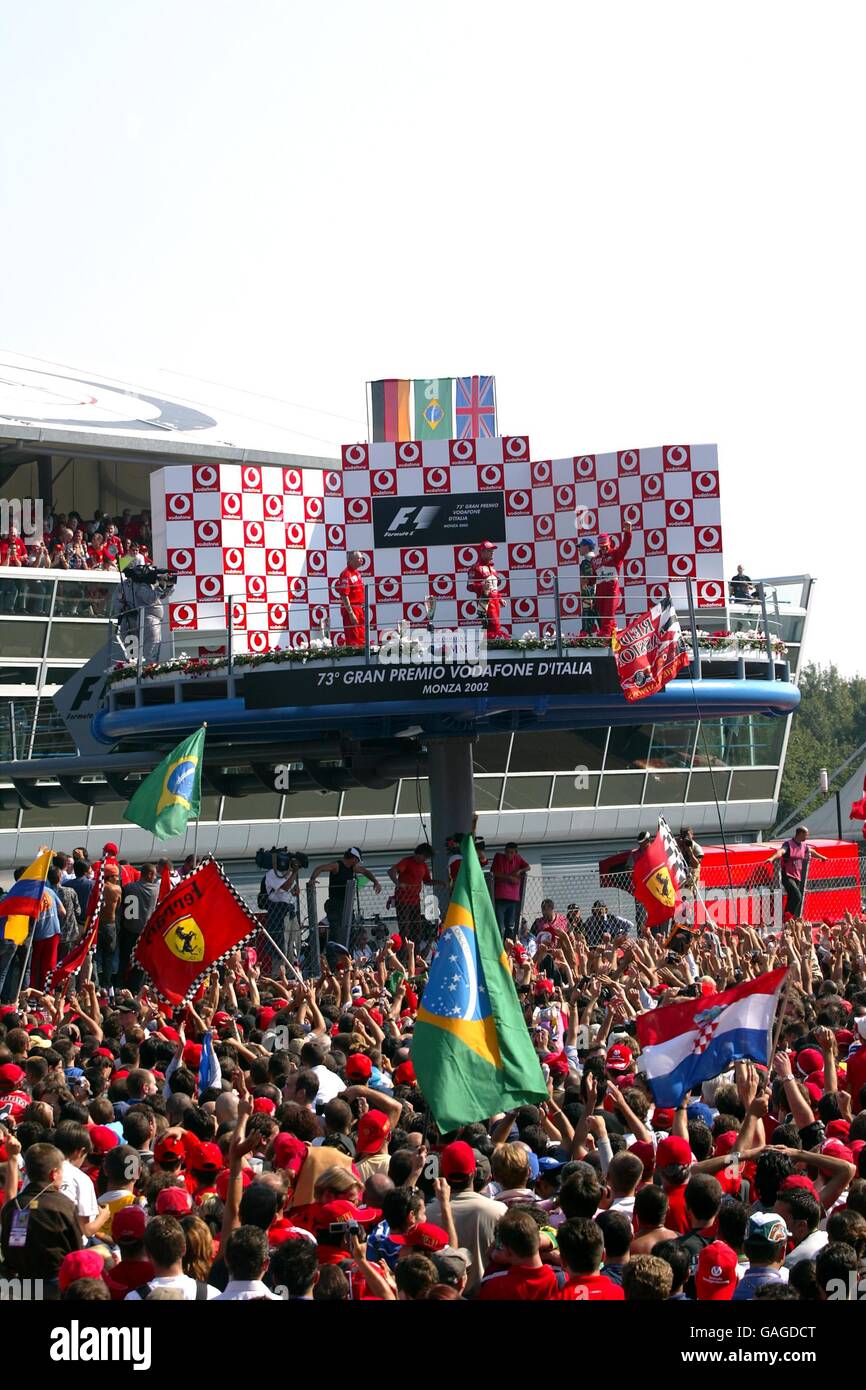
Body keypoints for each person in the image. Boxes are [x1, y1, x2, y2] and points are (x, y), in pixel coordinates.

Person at [308, 848, 381, 962]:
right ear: (353, 858)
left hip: (347, 904)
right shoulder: (337, 866)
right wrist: (312, 879)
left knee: (350, 932)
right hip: (335, 904)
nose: (357, 862)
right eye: (357, 860)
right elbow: (320, 868)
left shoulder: (353, 868)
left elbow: (365, 871)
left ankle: (348, 959)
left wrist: (375, 881)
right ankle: (333, 962)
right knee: (335, 934)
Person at [766, 826, 829, 918]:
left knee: (792, 897)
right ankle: (788, 917)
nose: (807, 837)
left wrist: (822, 857)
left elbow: (812, 851)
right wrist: (772, 858)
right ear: (800, 834)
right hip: (787, 875)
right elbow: (781, 851)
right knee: (797, 896)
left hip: (797, 876)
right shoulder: (788, 844)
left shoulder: (803, 846)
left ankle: (786, 918)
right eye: (806, 835)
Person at [387, 845, 441, 944]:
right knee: (405, 929)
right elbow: (391, 871)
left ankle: (415, 952)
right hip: (403, 901)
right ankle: (403, 953)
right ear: (419, 854)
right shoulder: (407, 862)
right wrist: (398, 883)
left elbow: (427, 881)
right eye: (425, 856)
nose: (425, 859)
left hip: (415, 901)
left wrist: (440, 882)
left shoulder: (423, 865)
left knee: (417, 929)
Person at [590, 522, 633, 638]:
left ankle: (605, 642)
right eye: (601, 546)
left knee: (607, 620)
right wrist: (589, 592)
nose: (604, 548)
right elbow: (592, 579)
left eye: (606, 545)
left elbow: (625, 546)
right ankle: (614, 642)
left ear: (609, 544)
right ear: (598, 546)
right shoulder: (595, 560)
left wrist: (628, 533)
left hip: (612, 592)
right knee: (608, 620)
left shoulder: (615, 555)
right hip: (599, 594)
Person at [263, 851, 300, 971]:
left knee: (293, 942)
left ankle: (292, 972)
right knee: (281, 945)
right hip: (278, 910)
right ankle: (278, 974)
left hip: (290, 909)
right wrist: (294, 872)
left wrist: (296, 887)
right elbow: (285, 887)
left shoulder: (288, 874)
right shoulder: (271, 874)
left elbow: (293, 890)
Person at [490, 841, 530, 940]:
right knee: (500, 926)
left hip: (513, 898)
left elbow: (528, 867)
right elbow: (494, 873)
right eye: (507, 852)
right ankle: (499, 948)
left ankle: (508, 948)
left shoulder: (518, 859)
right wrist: (509, 877)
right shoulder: (499, 857)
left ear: (516, 853)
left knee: (510, 926)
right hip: (500, 896)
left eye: (512, 852)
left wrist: (520, 871)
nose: (509, 855)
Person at [467, 540, 504, 639]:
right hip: (485, 600)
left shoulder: (493, 568)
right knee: (492, 623)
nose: (492, 552)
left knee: (494, 624)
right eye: (489, 550)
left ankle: (490, 647)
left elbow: (494, 587)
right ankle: (489, 647)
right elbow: (469, 586)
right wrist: (481, 586)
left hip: (495, 600)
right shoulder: (475, 568)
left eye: (492, 550)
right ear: (482, 552)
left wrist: (500, 598)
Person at [336, 550, 365, 648]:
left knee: (361, 637)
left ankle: (362, 656)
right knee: (353, 638)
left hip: (359, 608)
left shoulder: (356, 573)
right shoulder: (346, 574)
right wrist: (351, 613)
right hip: (352, 608)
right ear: (351, 560)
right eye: (359, 558)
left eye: (361, 558)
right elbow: (344, 595)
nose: (362, 560)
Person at [578, 536, 598, 634]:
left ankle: (585, 642)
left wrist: (588, 598)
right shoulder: (598, 559)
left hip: (589, 597)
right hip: (599, 596)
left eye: (580, 546)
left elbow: (588, 581)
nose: (579, 549)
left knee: (586, 627)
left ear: (586, 547)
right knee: (602, 624)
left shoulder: (586, 562)